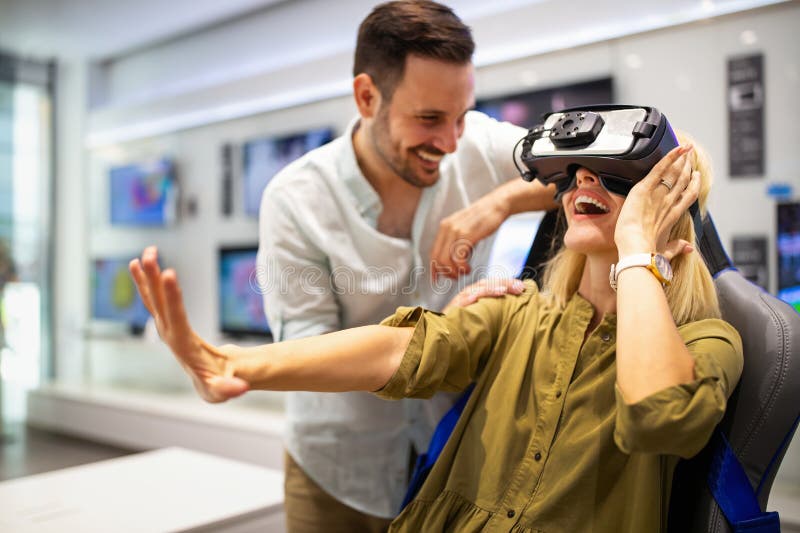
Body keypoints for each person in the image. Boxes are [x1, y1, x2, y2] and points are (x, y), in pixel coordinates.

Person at [130, 136, 743, 532]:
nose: (584, 182)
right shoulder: (518, 312)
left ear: (669, 211)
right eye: (578, 174)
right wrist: (234, 365)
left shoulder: (709, 343)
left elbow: (657, 416)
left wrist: (638, 252)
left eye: (614, 177)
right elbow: (400, 351)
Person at [256, 0, 556, 529]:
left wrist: (501, 202)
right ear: (367, 97)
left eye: (461, 116)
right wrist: (438, 339)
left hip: (453, 459)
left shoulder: (478, 143)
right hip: (338, 472)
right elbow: (306, 354)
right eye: (429, 119)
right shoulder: (295, 199)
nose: (450, 142)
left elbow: (612, 163)